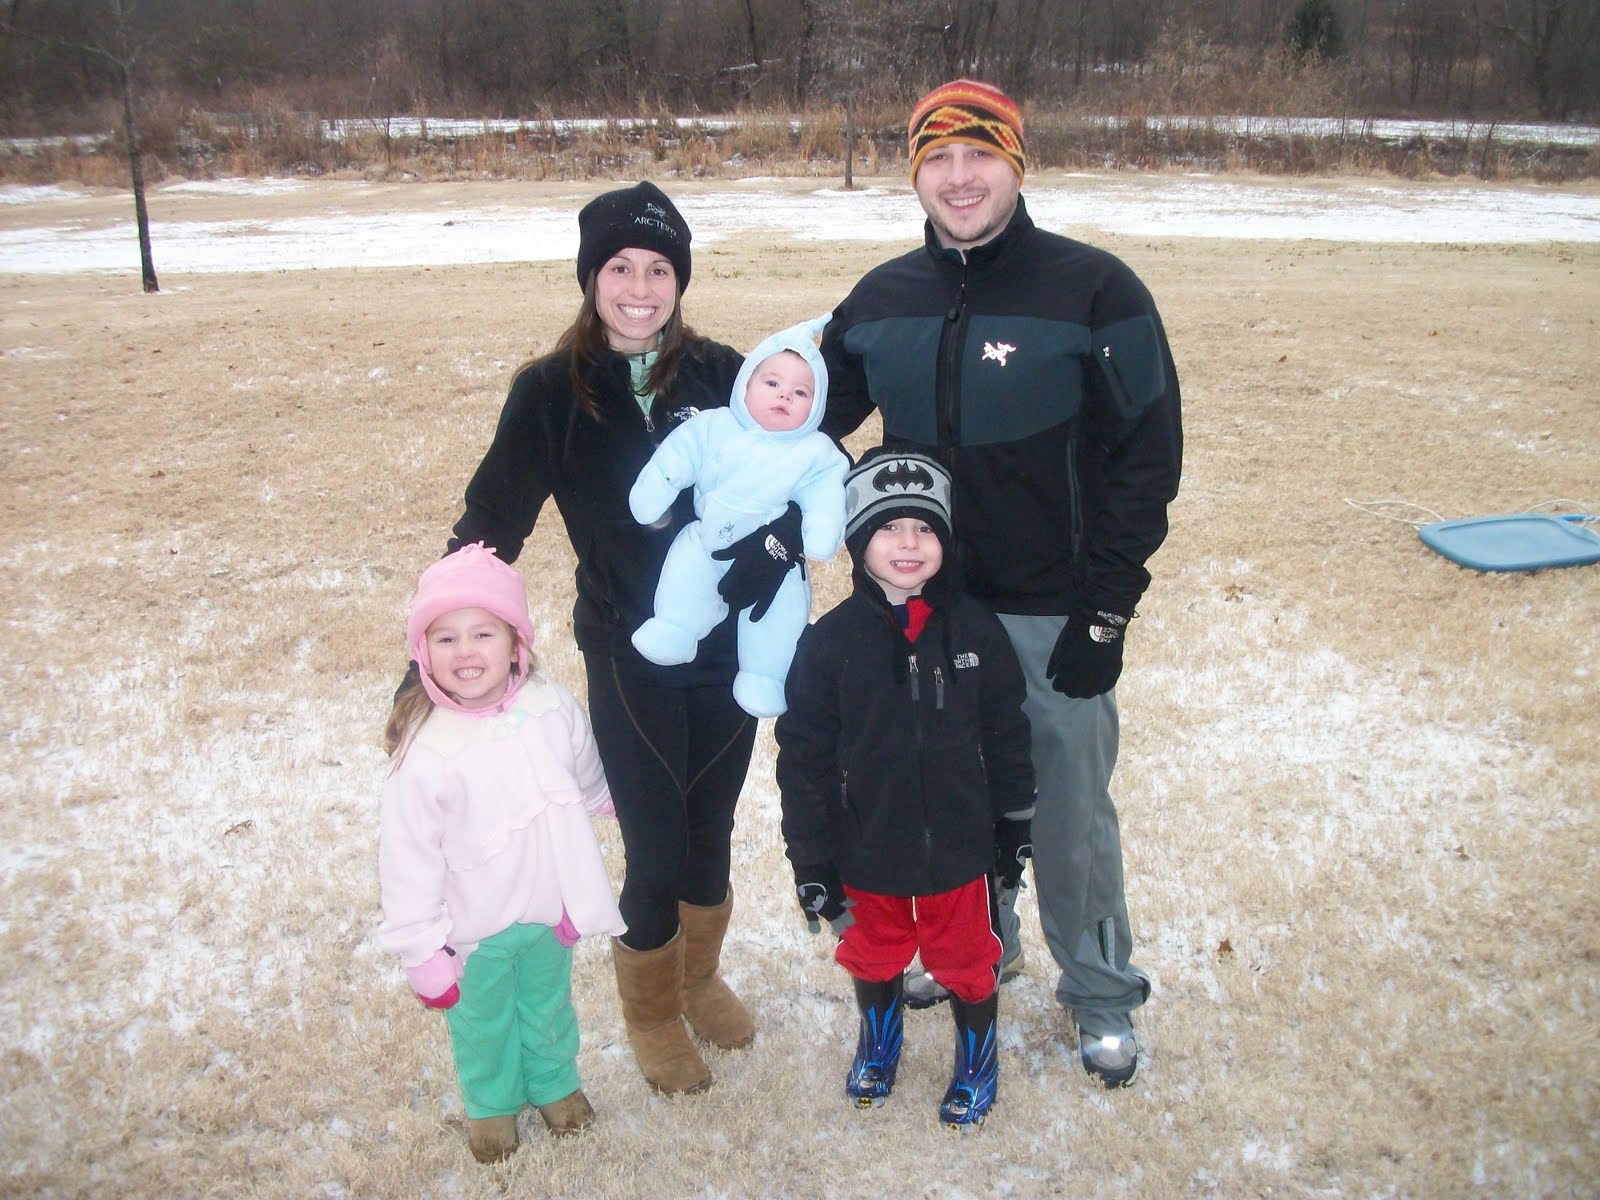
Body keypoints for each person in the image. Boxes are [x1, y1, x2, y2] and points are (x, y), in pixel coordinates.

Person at [819, 80, 1183, 1088]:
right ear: (916, 174)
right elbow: (798, 420)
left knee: (1068, 809)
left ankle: (1101, 990)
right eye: (937, 159)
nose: (959, 177)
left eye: (980, 156)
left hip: (1051, 609)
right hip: (920, 612)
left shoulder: (1095, 291)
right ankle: (985, 938)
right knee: (950, 793)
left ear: (1016, 164)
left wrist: (1105, 609)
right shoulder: (881, 300)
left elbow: (1148, 458)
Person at [446, 181, 790, 1095]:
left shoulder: (725, 374)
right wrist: (441, 634)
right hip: (628, 649)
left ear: (681, 279)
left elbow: (800, 470)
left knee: (710, 829)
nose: (640, 287)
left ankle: (699, 976)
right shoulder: (550, 394)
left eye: (660, 268)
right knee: (657, 845)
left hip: (728, 646)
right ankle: (650, 1014)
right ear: (590, 277)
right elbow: (492, 521)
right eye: (620, 268)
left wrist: (779, 545)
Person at [775, 449, 1036, 1129]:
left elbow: (1008, 733)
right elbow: (802, 758)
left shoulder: (977, 629)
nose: (909, 545)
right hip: (869, 848)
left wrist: (1013, 828)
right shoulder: (828, 645)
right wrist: (811, 858)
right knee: (872, 952)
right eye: (889, 529)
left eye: (925, 529)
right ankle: (879, 1046)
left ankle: (977, 1060)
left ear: (946, 542)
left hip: (960, 847)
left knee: (970, 960)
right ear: (860, 542)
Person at [379, 543, 626, 1164]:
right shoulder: (427, 752)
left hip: (548, 911)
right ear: (422, 652)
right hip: (472, 931)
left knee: (547, 1007)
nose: (466, 652)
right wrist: (421, 950)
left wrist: (609, 803)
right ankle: (491, 1107)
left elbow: (586, 767)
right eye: (446, 638)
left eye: (483, 633)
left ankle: (555, 1086)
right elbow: (407, 861)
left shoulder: (551, 707)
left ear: (517, 643)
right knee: (482, 1023)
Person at [629, 314, 849, 717]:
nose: (784, 396)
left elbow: (825, 493)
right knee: (685, 569)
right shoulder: (716, 425)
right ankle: (676, 627)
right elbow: (678, 456)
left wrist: (819, 529)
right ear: (745, 385)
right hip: (707, 535)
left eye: (801, 392)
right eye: (772, 383)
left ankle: (764, 674)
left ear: (815, 406)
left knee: (779, 611)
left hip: (771, 549)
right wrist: (657, 486)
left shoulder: (815, 451)